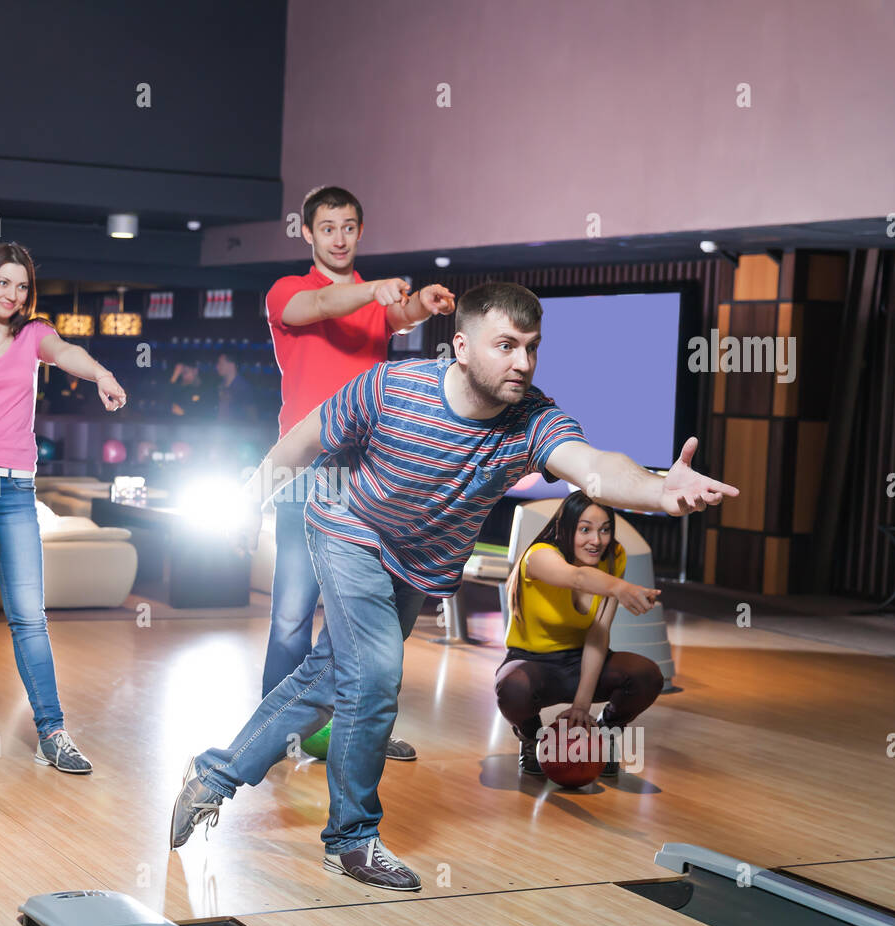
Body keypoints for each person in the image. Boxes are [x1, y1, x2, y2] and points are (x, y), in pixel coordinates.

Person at [171, 281, 738, 890]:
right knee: (375, 675)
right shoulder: (391, 388)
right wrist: (247, 501)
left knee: (329, 679)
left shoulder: (532, 419)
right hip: (348, 528)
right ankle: (352, 839)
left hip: (418, 559)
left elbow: (596, 467)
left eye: (532, 347)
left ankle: (212, 776)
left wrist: (657, 489)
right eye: (506, 345)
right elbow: (306, 438)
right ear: (462, 347)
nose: (522, 362)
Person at [262, 184, 456, 761]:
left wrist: (423, 303)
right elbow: (325, 306)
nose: (339, 238)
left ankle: (363, 727)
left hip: (369, 471)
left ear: (360, 231)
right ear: (308, 232)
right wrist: (373, 290)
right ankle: (276, 734)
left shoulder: (376, 299)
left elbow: (398, 315)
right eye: (328, 228)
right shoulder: (288, 291)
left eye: (349, 227)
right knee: (293, 612)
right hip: (306, 468)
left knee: (369, 610)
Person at [0, 242, 127, 771]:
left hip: (15, 491)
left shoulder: (34, 334)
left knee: (28, 616)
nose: (12, 295)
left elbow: (66, 353)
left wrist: (101, 374)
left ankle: (53, 732)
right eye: (3, 283)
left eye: (21, 286)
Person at [496, 491, 664, 776]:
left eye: (605, 530)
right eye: (585, 529)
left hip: (581, 660)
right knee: (512, 687)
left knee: (646, 675)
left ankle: (606, 734)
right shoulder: (539, 556)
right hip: (533, 663)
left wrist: (582, 706)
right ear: (565, 528)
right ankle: (531, 739)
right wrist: (621, 587)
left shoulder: (614, 557)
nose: (596, 540)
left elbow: (599, 632)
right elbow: (577, 577)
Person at [216, 352, 256, 422]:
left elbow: (252, 416)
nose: (217, 367)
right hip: (221, 426)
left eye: (221, 364)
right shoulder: (220, 386)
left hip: (237, 427)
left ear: (231, 365)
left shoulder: (243, 387)